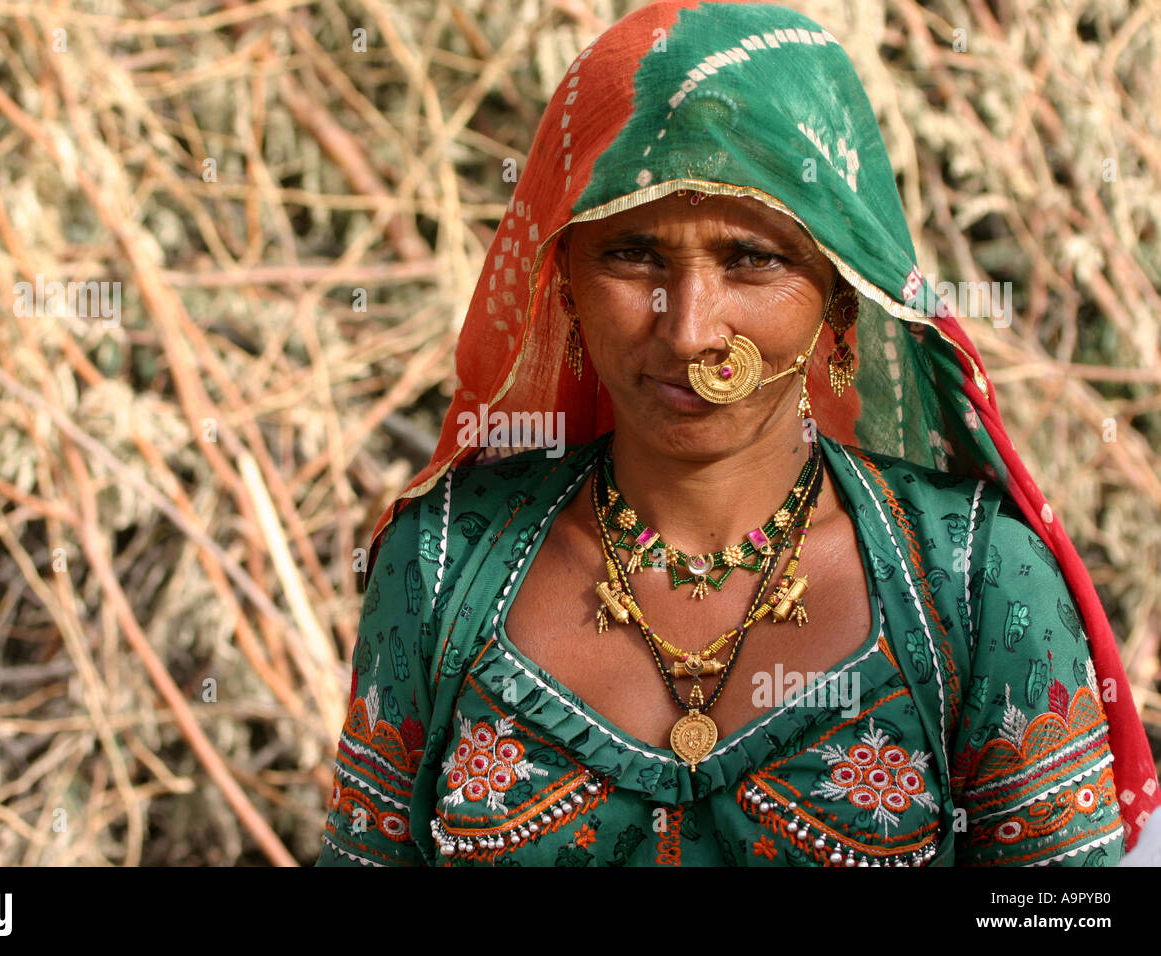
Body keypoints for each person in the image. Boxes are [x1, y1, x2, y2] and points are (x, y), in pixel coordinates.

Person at [315, 0, 1159, 866]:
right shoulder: (443, 561)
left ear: (840, 293)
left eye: (752, 259)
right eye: (633, 255)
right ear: (562, 279)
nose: (688, 332)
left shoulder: (973, 582)